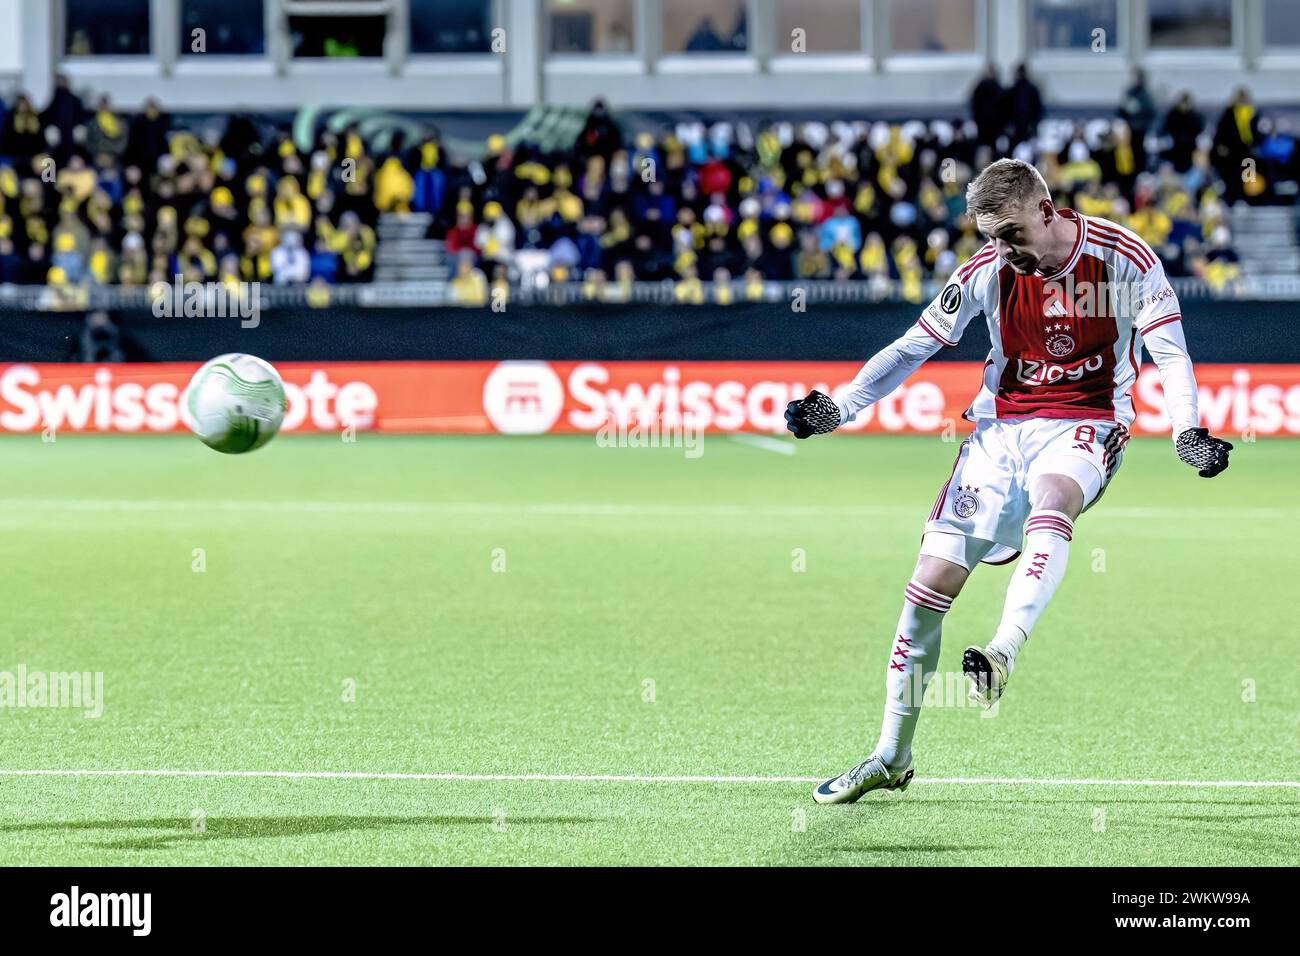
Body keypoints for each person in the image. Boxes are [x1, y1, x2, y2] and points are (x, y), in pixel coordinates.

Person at [784, 158, 1232, 804]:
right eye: (991, 237)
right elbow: (915, 345)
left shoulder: (1121, 258)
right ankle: (891, 756)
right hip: (997, 435)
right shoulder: (989, 271)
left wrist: (1187, 430)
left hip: (1087, 421)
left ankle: (1001, 651)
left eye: (1012, 234)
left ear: (1046, 212)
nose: (1003, 250)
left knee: (1054, 503)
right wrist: (842, 405)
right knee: (923, 595)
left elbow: (1169, 350)